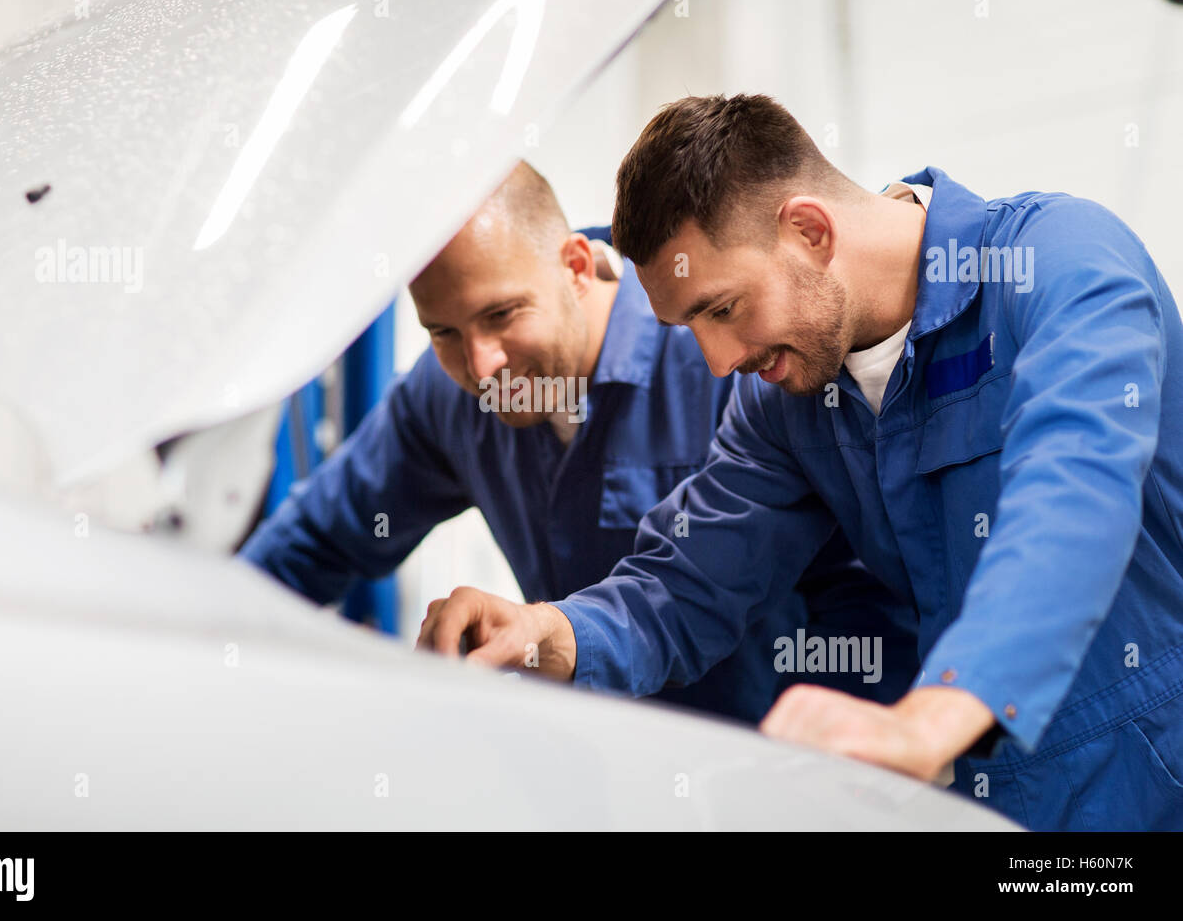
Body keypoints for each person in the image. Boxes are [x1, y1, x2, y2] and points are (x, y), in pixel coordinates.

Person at [417, 96, 1183, 831]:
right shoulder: (786, 403)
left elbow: (1073, 497)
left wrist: (936, 714)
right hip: (994, 805)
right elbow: (687, 582)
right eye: (689, 327)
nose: (718, 362)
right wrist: (544, 633)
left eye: (722, 309)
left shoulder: (1057, 265)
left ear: (810, 231)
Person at [242, 161, 917, 723]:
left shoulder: (728, 357)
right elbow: (312, 544)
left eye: (501, 314)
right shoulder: (446, 396)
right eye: (442, 332)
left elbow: (865, 595)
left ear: (573, 266)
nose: (482, 367)